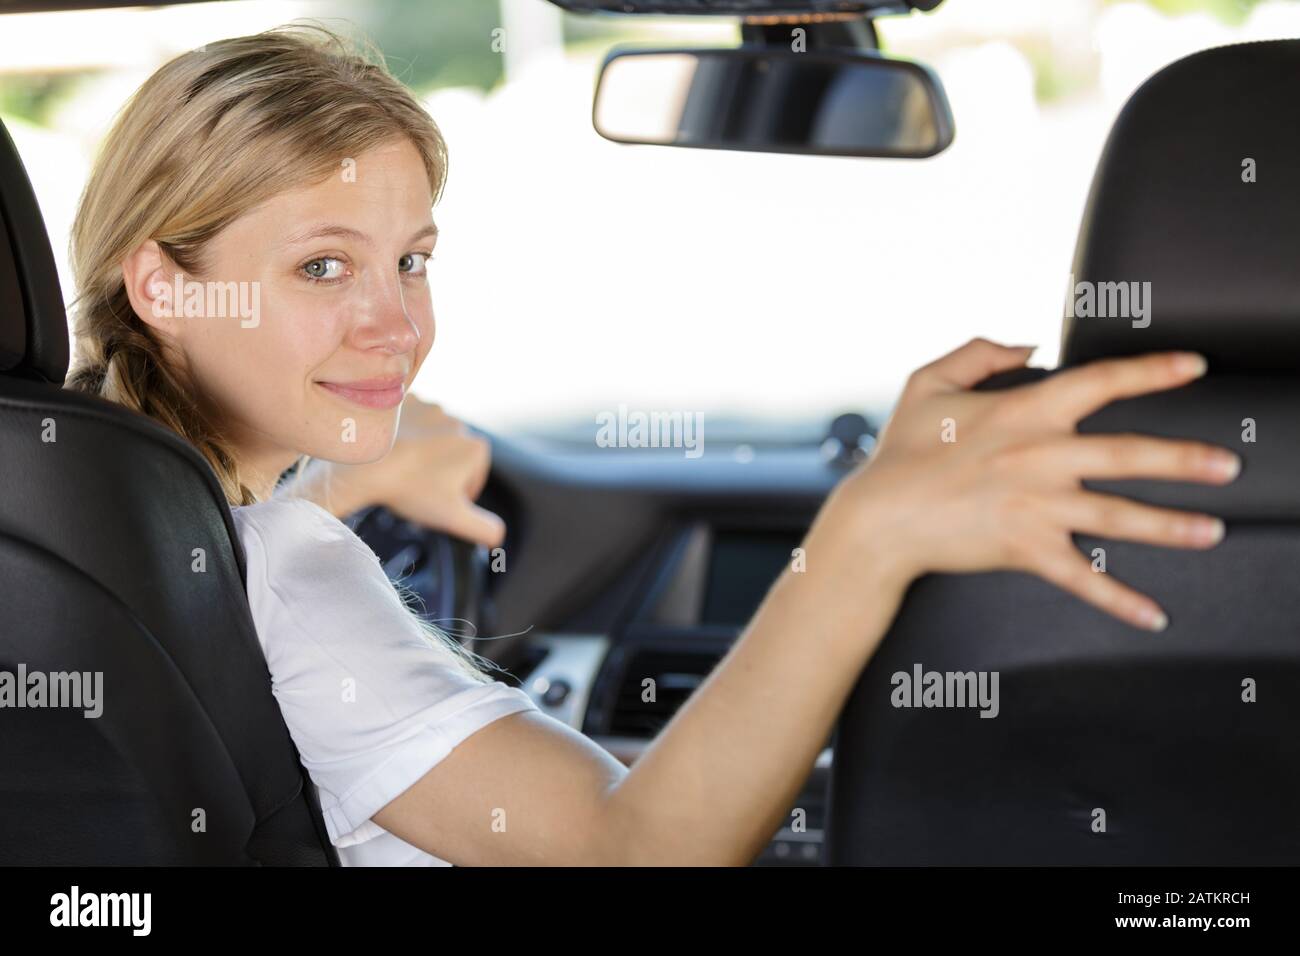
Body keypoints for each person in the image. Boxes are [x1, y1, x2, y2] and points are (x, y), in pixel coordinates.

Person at [64, 25, 1239, 866]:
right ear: (163, 283)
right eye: (323, 266)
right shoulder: (287, 574)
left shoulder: (76, 514)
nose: (398, 323)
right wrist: (866, 531)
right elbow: (642, 848)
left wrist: (338, 471)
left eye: (412, 259)